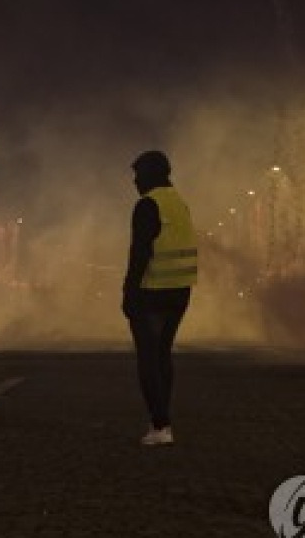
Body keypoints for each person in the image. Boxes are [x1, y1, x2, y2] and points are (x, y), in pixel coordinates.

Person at [122, 150, 197, 446]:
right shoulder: (180, 204)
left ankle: (160, 425)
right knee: (162, 355)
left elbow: (140, 253)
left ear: (152, 175)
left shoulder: (147, 205)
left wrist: (128, 291)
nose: (135, 182)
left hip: (152, 292)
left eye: (138, 176)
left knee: (148, 358)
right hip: (180, 291)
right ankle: (162, 420)